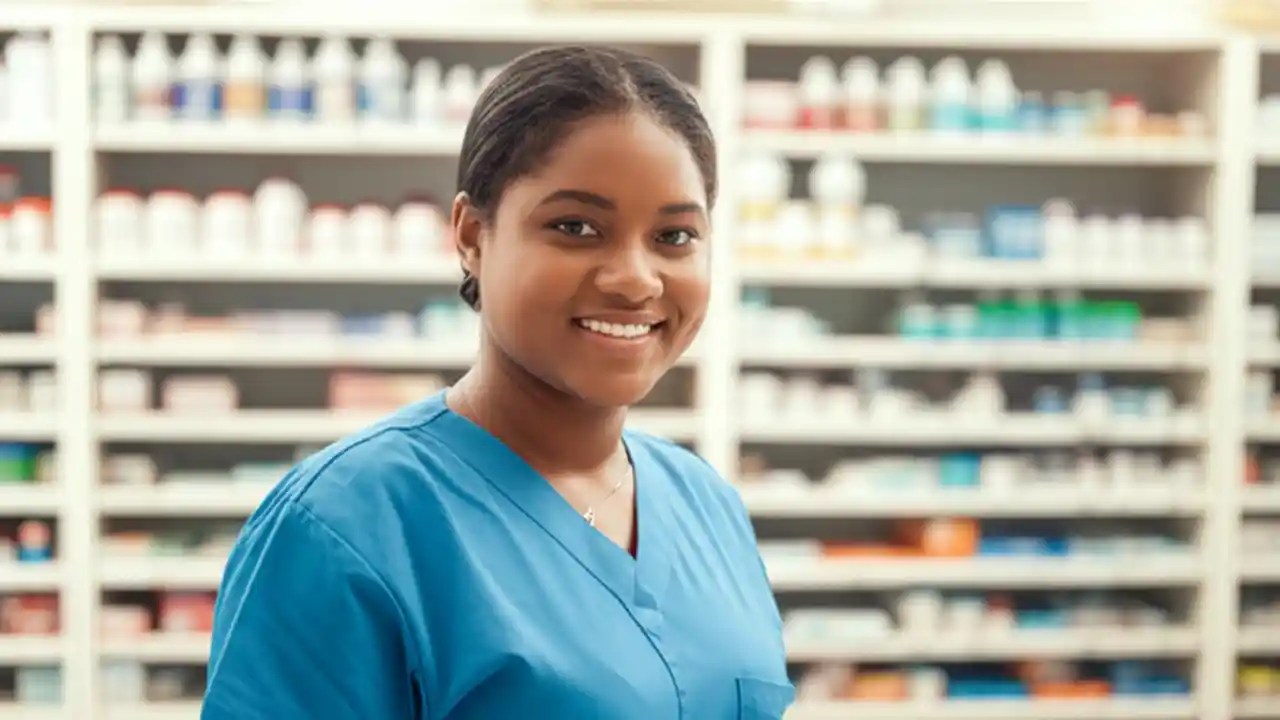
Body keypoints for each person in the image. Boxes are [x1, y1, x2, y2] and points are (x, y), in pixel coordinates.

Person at [200, 44, 793, 720]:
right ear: (472, 235)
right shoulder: (344, 526)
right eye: (576, 227)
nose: (635, 278)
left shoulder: (706, 508)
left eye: (675, 237)